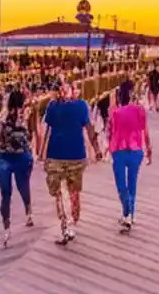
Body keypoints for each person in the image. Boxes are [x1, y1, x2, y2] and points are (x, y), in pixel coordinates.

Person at [40, 81, 102, 245]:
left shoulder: (52, 107)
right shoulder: (81, 106)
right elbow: (89, 128)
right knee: (74, 191)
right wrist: (96, 149)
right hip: (76, 155)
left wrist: (41, 153)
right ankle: (73, 219)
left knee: (57, 193)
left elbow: (47, 130)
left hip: (55, 155)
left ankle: (65, 224)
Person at [0, 88, 39, 245]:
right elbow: (32, 135)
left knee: (10, 191)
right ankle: (19, 217)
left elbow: (1, 137)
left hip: (11, 157)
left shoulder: (8, 117)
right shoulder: (24, 116)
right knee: (16, 188)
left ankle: (10, 224)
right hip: (16, 156)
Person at [109, 81, 152, 232]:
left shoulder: (115, 112)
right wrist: (149, 149)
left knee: (121, 185)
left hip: (119, 149)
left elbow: (110, 130)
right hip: (135, 149)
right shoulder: (140, 110)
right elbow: (145, 132)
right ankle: (130, 214)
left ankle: (126, 212)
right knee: (132, 183)